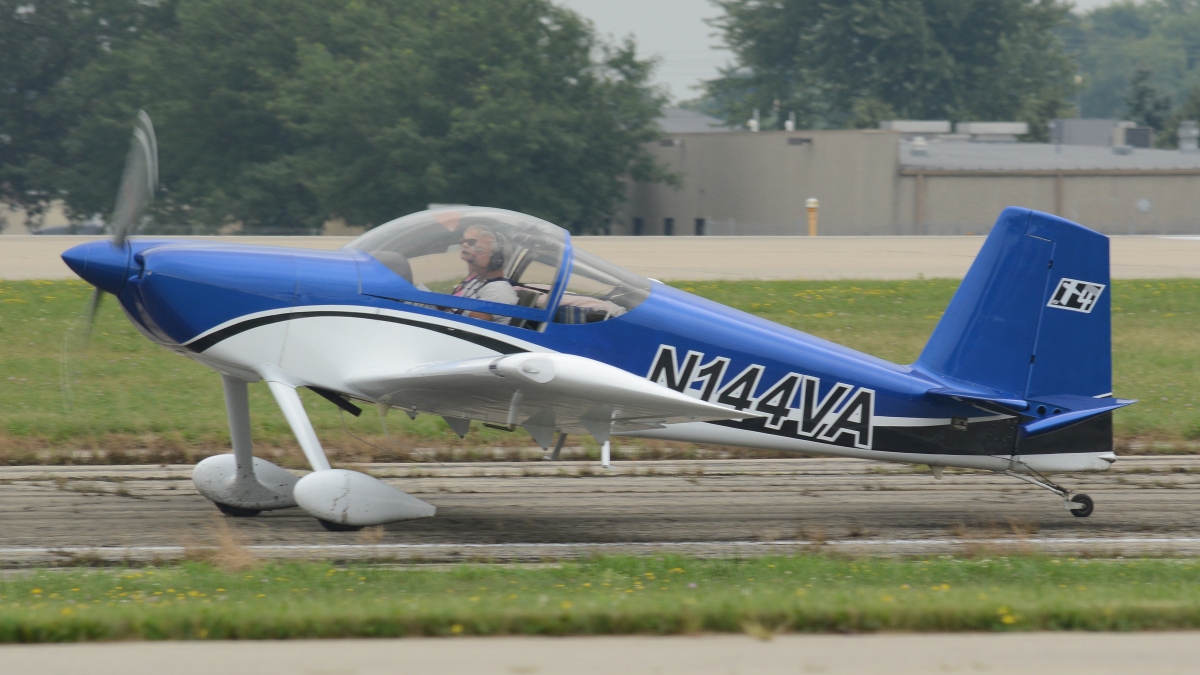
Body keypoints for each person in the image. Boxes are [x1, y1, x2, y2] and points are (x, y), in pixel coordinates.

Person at [451, 224, 518, 324]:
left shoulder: (498, 292)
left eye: (479, 250)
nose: (473, 254)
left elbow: (471, 327)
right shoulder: (478, 281)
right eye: (475, 248)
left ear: (496, 261)